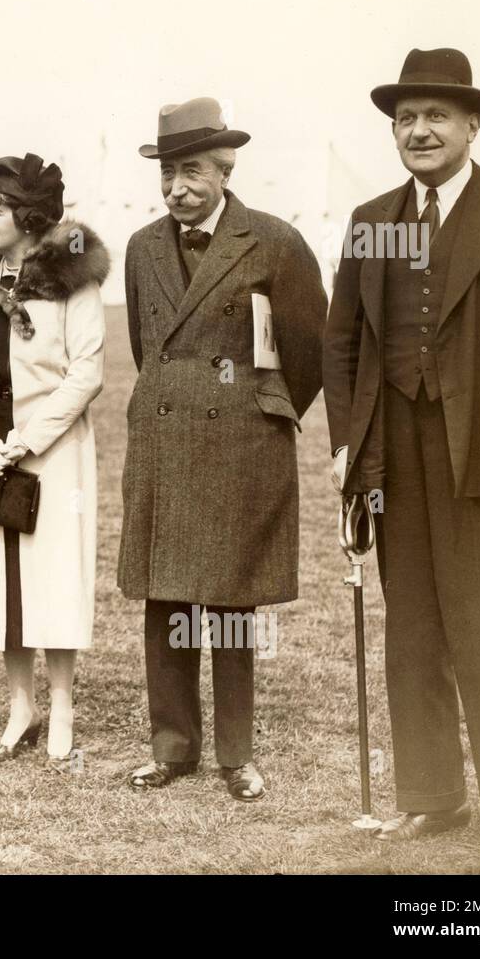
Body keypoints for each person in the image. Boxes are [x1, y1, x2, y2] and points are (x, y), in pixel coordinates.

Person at [323, 48, 480, 873]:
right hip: (394, 454)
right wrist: (346, 450)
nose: (419, 130)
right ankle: (433, 796)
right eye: (405, 119)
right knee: (415, 630)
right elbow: (343, 343)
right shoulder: (371, 218)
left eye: (436, 116)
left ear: (473, 124)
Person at [118, 98, 326, 802]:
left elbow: (308, 350)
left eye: (191, 171)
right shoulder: (142, 246)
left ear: (225, 169)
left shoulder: (275, 241)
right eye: (168, 173)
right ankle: (172, 746)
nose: (177, 187)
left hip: (241, 442)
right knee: (166, 595)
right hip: (164, 437)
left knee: (232, 598)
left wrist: (262, 410)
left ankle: (237, 754)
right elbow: (151, 350)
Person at [0, 153, 107, 769]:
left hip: (53, 454)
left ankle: (60, 705)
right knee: (4, 585)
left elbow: (86, 372)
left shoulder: (75, 281)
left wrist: (28, 440)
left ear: (29, 216)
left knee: (53, 578)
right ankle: (22, 707)